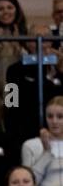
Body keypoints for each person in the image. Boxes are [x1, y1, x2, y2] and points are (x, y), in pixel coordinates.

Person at [4, 28, 63, 157]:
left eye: (46, 38)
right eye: (35, 38)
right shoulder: (14, 70)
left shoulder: (58, 68)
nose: (41, 43)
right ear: (28, 42)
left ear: (51, 42)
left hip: (55, 131)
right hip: (24, 131)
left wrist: (59, 70)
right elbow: (10, 103)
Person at [20, 96, 63, 186]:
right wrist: (46, 152)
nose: (54, 121)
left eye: (60, 117)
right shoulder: (31, 145)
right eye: (50, 116)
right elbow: (27, 185)